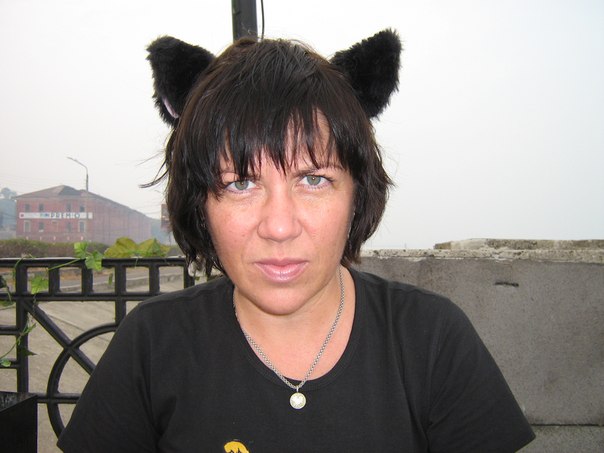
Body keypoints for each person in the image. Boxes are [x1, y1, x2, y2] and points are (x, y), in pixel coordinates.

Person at [58, 30, 535, 452]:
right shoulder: (152, 344)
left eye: (314, 179)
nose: (280, 226)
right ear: (200, 205)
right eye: (241, 183)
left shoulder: (431, 338)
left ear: (357, 195)